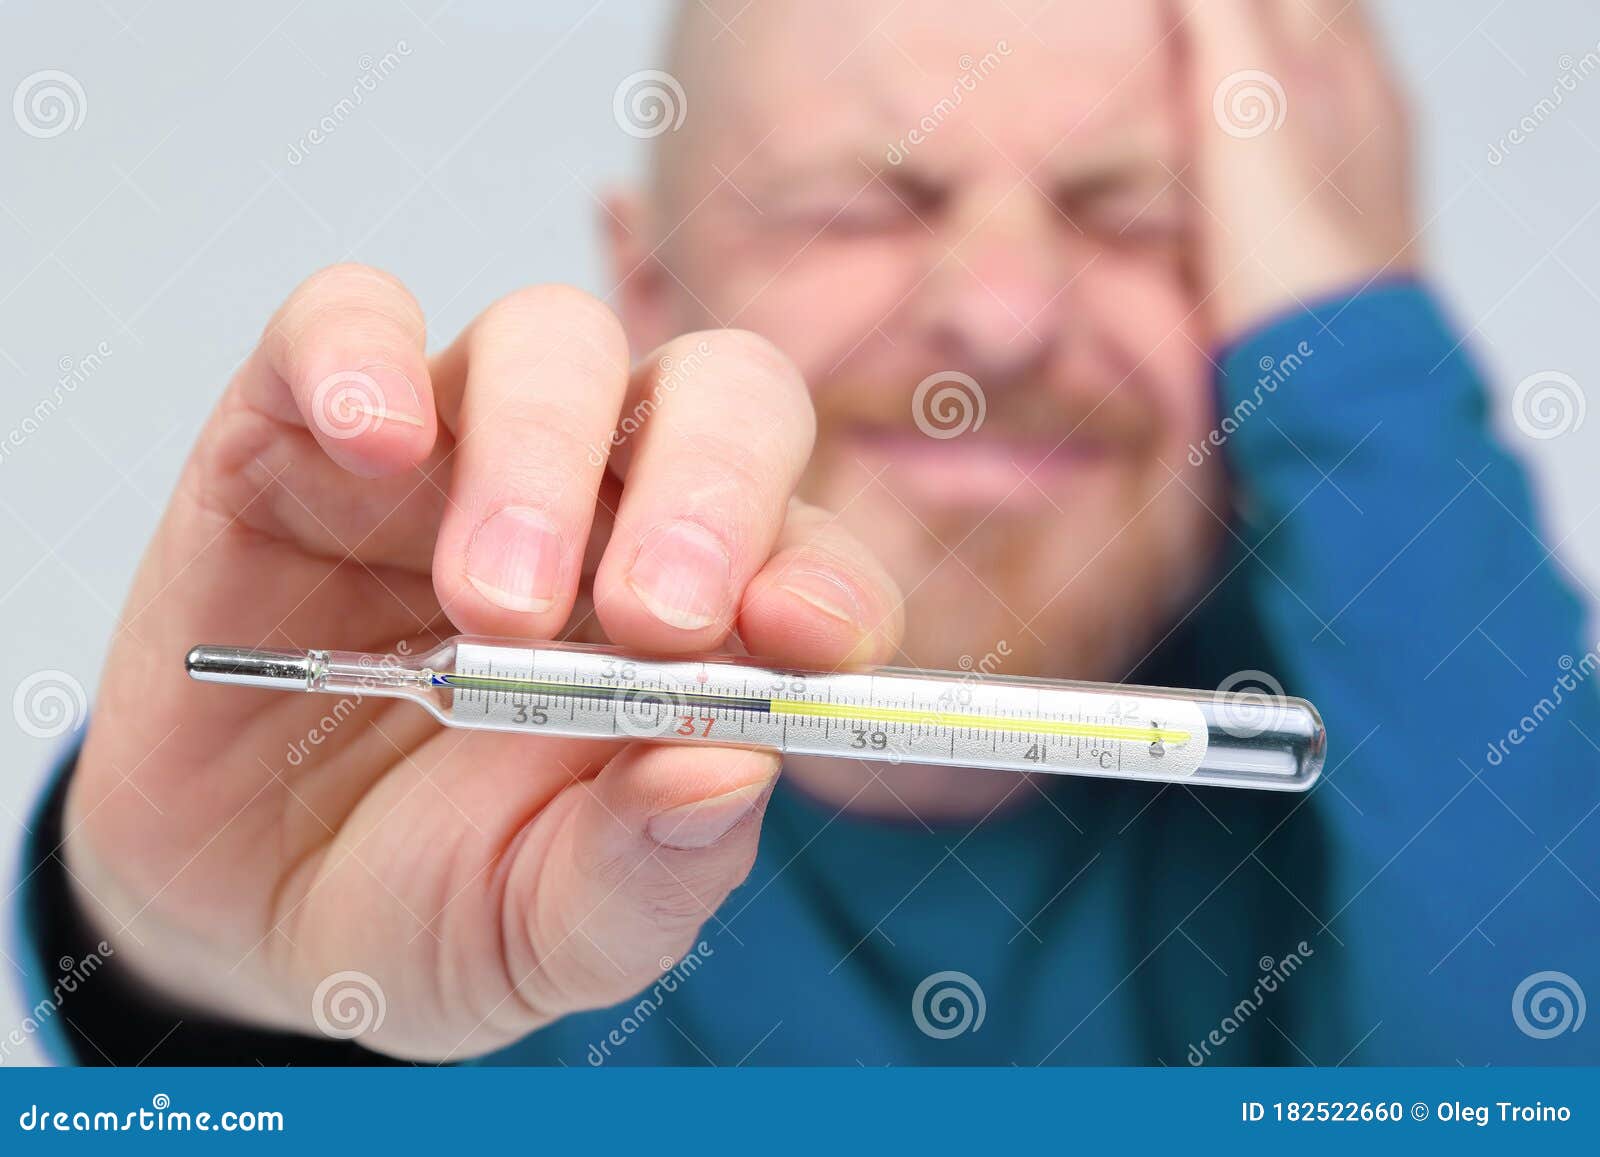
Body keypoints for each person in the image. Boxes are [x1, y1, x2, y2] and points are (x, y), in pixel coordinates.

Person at [19, 0, 1599, 1066]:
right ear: (649, 284)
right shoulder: (450, 836)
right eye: (863, 205)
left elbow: (1541, 1059)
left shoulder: (1410, 774)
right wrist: (182, 977)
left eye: (1139, 217)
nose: (1000, 316)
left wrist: (1367, 366)